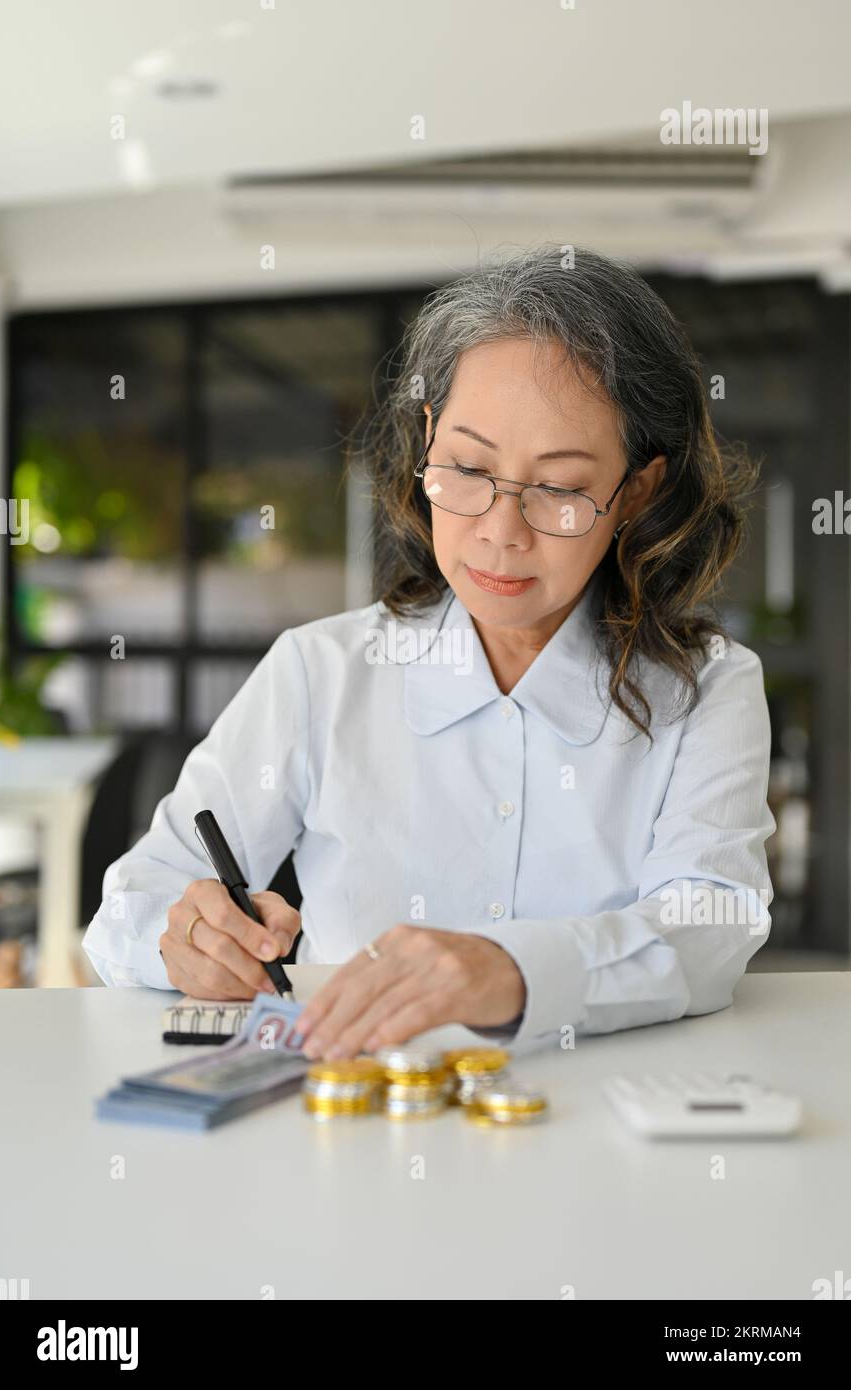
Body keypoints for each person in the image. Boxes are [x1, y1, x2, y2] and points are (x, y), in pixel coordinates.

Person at [82, 244, 775, 1060]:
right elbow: (132, 904)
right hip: (358, 1127)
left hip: (596, 1144)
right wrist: (187, 937)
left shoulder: (709, 690)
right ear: (425, 439)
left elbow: (709, 927)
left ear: (637, 491)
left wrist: (509, 971)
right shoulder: (320, 674)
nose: (499, 530)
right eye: (469, 467)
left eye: (558, 488)